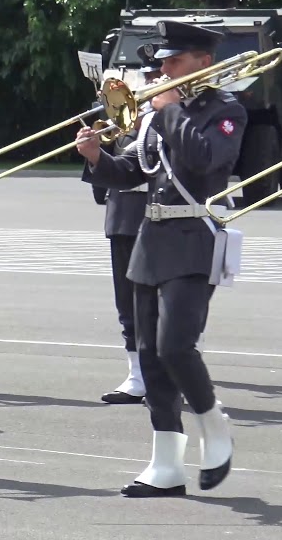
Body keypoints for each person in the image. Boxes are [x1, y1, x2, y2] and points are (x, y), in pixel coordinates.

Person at [76, 20, 243, 498]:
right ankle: (166, 463)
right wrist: (95, 158)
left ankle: (214, 424)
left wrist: (168, 111)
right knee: (149, 355)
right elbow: (135, 171)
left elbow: (205, 159)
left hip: (195, 233)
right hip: (152, 234)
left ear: (203, 63)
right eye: (163, 60)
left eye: (174, 60)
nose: (162, 68)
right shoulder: (157, 112)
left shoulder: (225, 110)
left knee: (176, 346)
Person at [88, 55, 163, 405]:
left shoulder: (164, 119)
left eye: (155, 77)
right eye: (145, 79)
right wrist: (97, 147)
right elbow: (103, 182)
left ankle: (165, 374)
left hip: (157, 214)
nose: (150, 84)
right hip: (122, 215)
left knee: (162, 303)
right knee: (126, 301)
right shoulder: (120, 121)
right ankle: (136, 375)